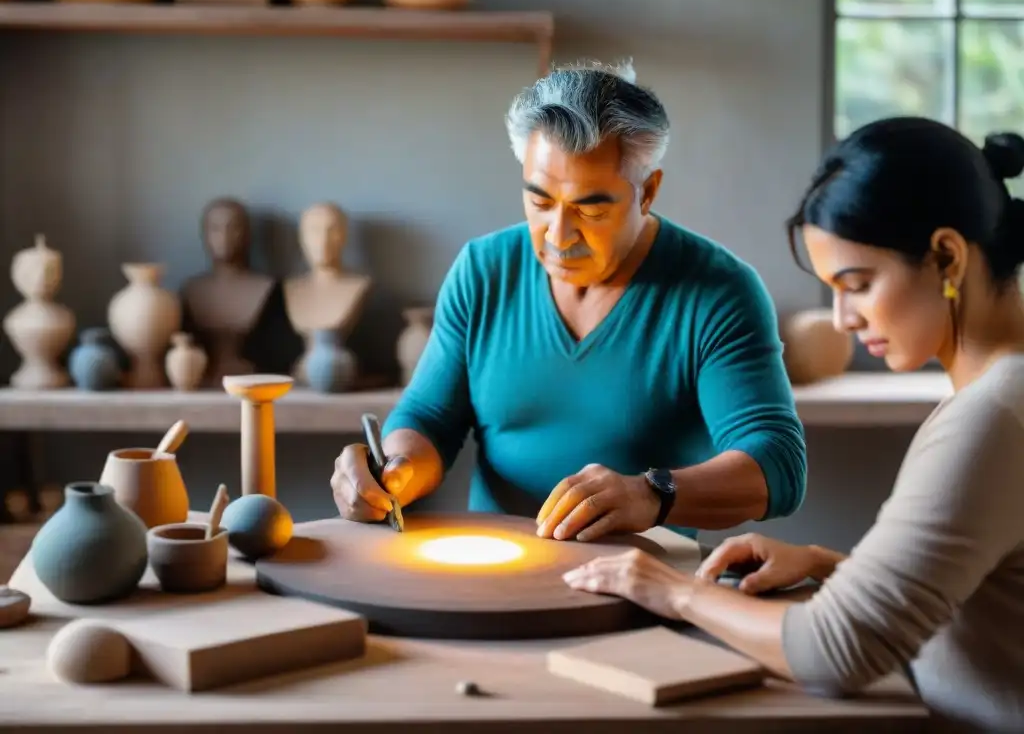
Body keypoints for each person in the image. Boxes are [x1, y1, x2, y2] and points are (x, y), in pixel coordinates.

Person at [562, 116, 1024, 731]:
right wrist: (828, 565)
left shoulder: (992, 416)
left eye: (857, 285)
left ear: (946, 256)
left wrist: (672, 589)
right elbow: (986, 592)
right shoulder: (1000, 394)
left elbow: (839, 652)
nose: (843, 319)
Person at [331, 60, 807, 542]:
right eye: (540, 202)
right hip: (494, 576)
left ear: (648, 192)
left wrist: (651, 494)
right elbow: (430, 417)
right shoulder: (483, 270)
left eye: (590, 207)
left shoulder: (719, 292)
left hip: (642, 588)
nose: (558, 235)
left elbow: (778, 462)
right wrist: (394, 469)